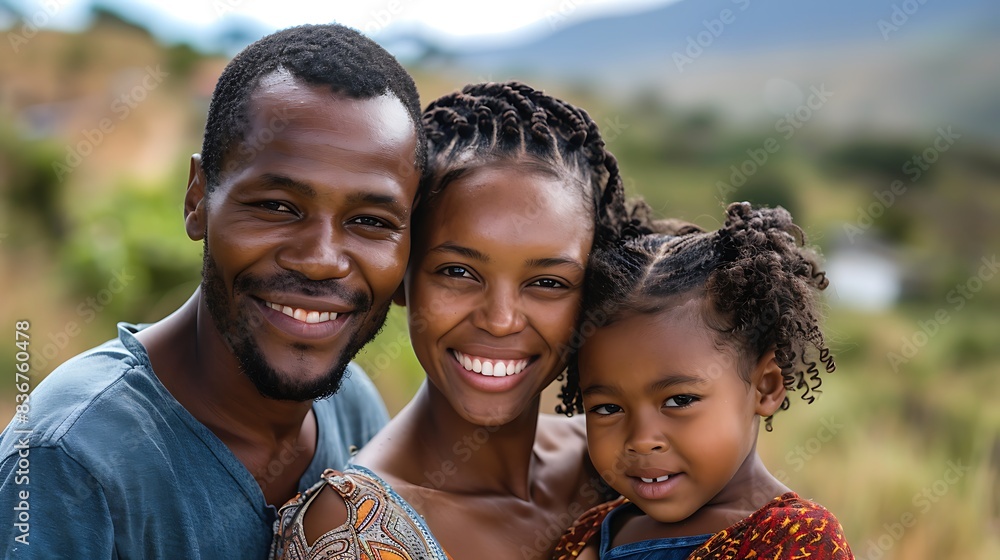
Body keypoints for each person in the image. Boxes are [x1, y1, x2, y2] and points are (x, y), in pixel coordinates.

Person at [0, 24, 425, 559]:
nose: (320, 261)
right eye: (276, 206)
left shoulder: (350, 406)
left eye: (370, 220)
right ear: (198, 199)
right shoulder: (68, 461)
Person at [271, 81, 646, 560]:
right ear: (403, 274)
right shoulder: (354, 533)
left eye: (548, 282)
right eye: (459, 272)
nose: (501, 320)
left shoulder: (619, 465)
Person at [551, 202, 854, 559]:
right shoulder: (591, 532)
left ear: (767, 386)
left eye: (679, 400)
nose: (642, 440)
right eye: (607, 407)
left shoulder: (795, 539)